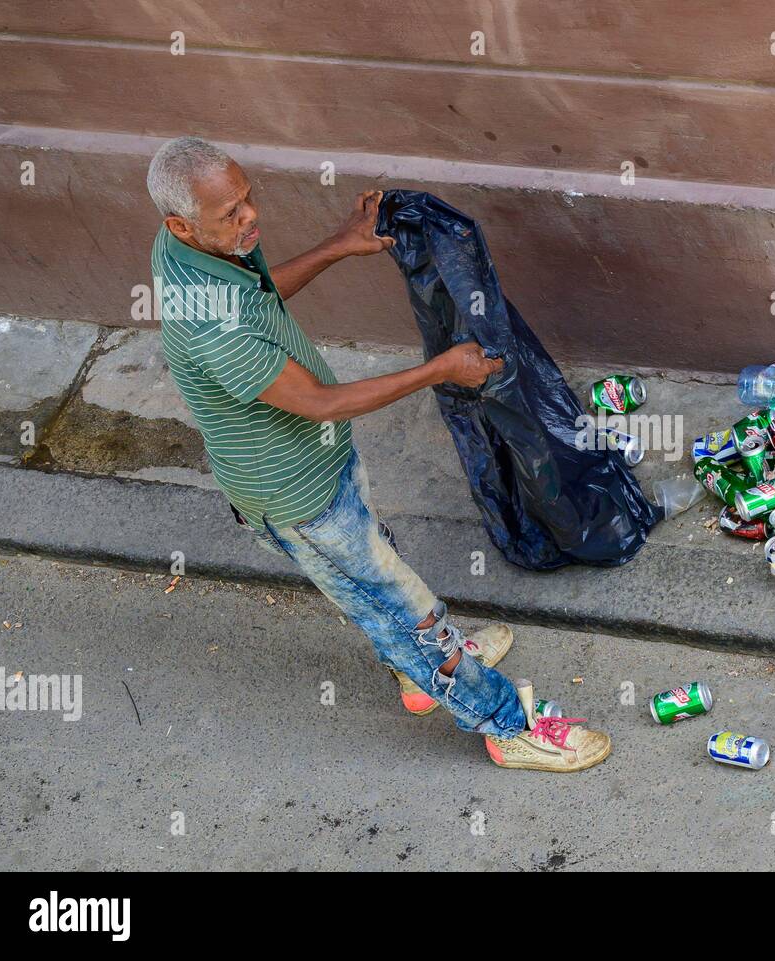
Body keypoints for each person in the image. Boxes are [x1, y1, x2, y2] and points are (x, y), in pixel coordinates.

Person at [146, 136, 610, 772]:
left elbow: (255, 296)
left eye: (248, 198)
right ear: (181, 222)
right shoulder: (210, 324)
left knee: (381, 574)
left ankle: (422, 675)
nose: (251, 217)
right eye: (231, 214)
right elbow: (322, 402)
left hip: (321, 462)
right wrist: (442, 368)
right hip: (297, 494)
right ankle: (508, 727)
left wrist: (340, 244)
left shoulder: (190, 249)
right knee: (402, 607)